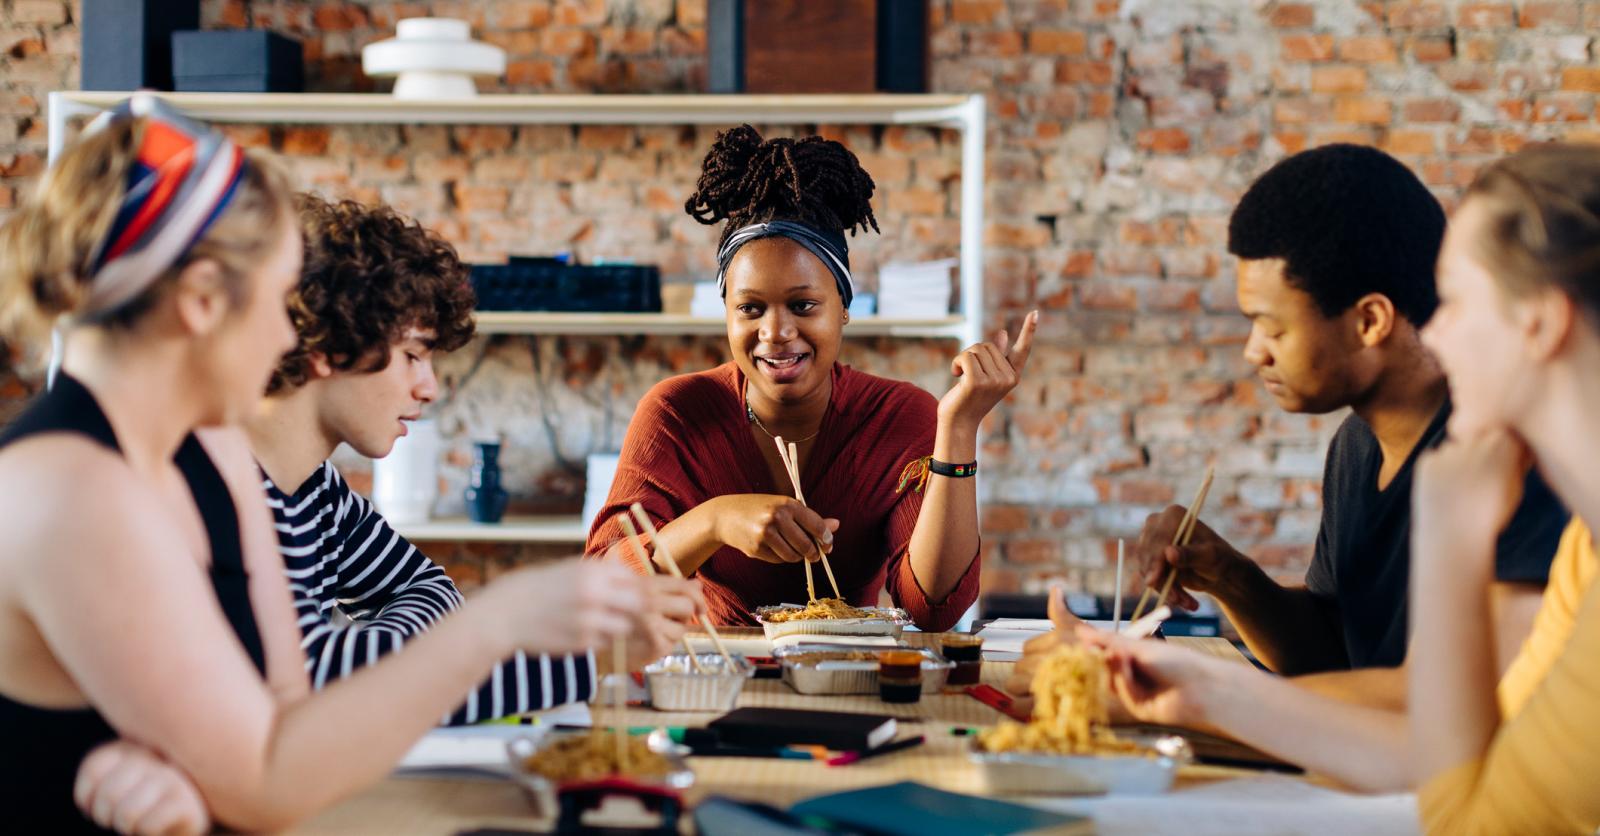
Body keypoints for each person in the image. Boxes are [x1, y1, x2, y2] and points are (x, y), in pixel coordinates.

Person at [0, 96, 685, 832]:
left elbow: (287, 722)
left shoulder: (220, 458)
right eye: (274, 300)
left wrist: (203, 780)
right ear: (201, 301)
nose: (286, 337)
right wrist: (497, 622)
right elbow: (268, 778)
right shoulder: (70, 494)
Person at [1089, 144, 1600, 831]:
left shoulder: (1519, 488)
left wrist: (1450, 535)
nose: (1435, 333)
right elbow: (1450, 764)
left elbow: (1461, 791)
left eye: (1456, 302)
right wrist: (1198, 676)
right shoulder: (1579, 558)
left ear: (1539, 323)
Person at [249, 194, 697, 723]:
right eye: (413, 355)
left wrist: (388, 664)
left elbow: (429, 590)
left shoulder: (318, 492)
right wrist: (585, 658)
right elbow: (310, 690)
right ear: (326, 343)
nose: (428, 388)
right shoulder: (220, 492)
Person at [586, 124, 1037, 629]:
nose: (775, 332)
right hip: (718, 687)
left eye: (803, 305)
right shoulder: (677, 413)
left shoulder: (901, 417)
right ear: (727, 314)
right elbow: (601, 588)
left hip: (855, 686)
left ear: (842, 308)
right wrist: (713, 522)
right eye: (750, 308)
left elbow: (933, 608)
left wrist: (958, 429)